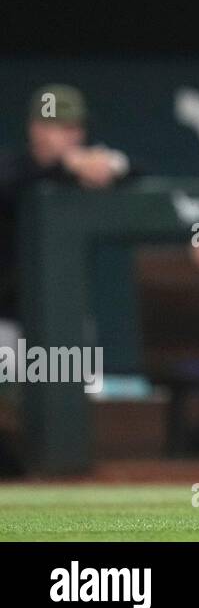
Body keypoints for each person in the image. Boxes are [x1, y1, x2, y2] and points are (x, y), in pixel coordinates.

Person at [0, 84, 133, 477]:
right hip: (5, 323)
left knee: (77, 378)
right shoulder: (15, 170)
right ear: (36, 130)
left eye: (76, 128)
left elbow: (138, 173)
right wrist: (66, 167)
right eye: (59, 126)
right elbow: (13, 179)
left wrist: (116, 165)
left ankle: (66, 479)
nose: (71, 137)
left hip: (58, 327)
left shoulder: (84, 177)